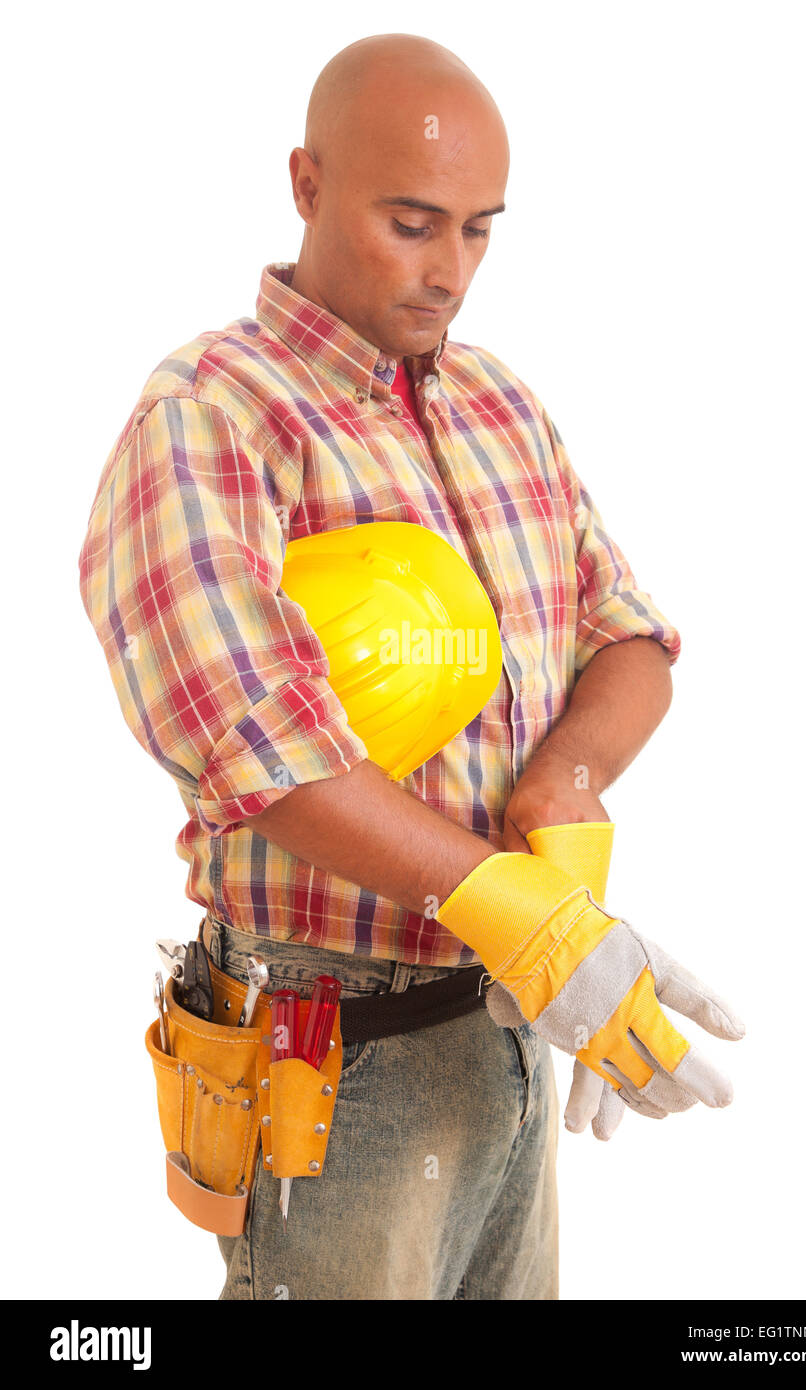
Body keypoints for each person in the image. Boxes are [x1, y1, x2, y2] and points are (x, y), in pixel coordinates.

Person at [78, 32, 737, 1301]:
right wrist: (518, 909)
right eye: (412, 222)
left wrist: (562, 794)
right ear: (306, 183)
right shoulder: (212, 419)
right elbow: (256, 750)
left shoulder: (497, 404)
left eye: (479, 231)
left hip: (508, 1032)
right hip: (332, 1054)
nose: (449, 273)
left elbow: (630, 634)